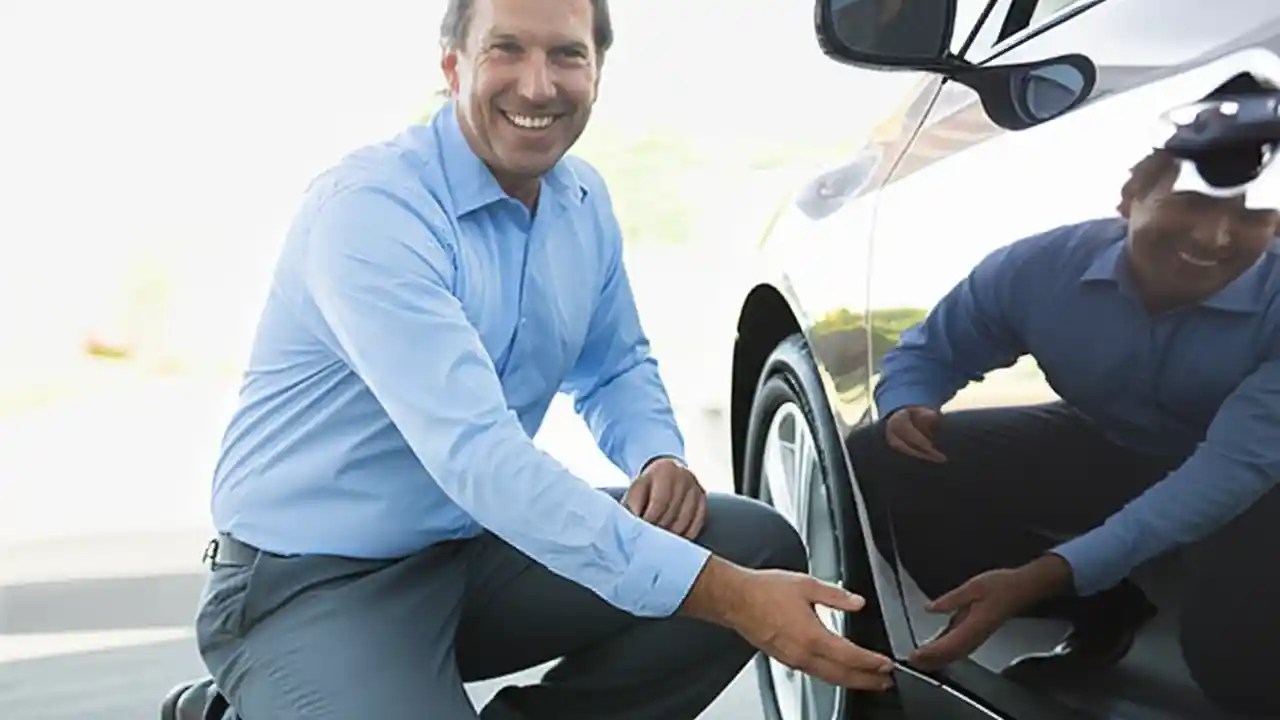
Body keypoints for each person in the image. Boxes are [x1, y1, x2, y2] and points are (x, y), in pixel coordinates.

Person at [165, 1, 897, 718]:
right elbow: (479, 458)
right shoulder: (372, 214)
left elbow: (614, 364)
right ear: (453, 65)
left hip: (472, 553)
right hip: (314, 581)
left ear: (598, 71)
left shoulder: (582, 201)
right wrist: (735, 599)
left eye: (566, 54)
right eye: (506, 49)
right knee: (728, 583)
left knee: (751, 544)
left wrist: (655, 457)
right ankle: (246, 700)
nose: (539, 85)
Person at [847, 73, 1280, 716]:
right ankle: (1105, 611)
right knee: (885, 455)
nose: (1214, 237)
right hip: (1112, 445)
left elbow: (1224, 478)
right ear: (1132, 194)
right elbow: (930, 351)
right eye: (1194, 202)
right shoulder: (1040, 268)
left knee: (1239, 666)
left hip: (1259, 488)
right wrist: (911, 401)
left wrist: (1039, 573)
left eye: (1249, 215)